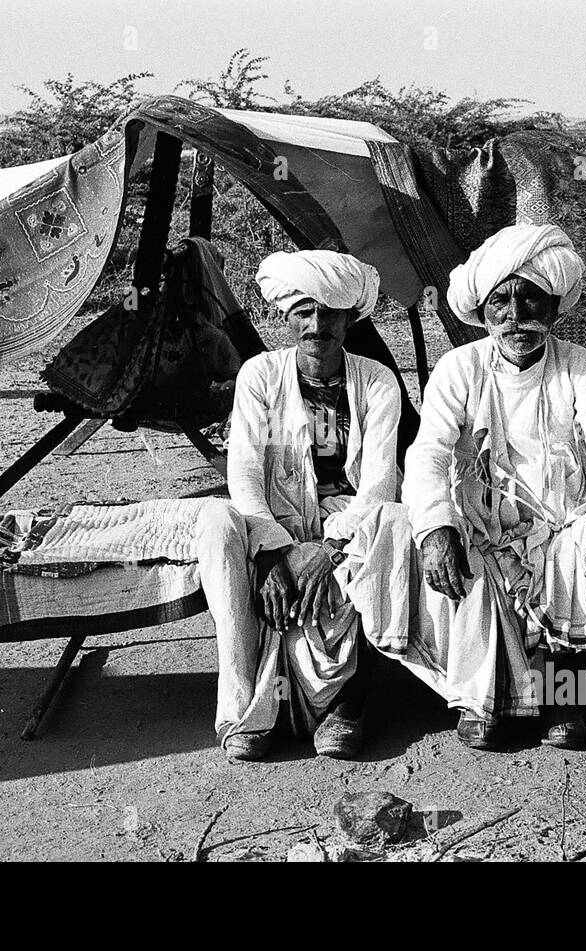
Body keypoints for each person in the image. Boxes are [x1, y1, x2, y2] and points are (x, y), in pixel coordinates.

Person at [399, 223, 586, 750]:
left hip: (561, 513)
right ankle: (479, 697)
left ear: (554, 309)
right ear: (483, 311)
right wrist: (436, 525)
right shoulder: (458, 368)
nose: (516, 317)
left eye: (531, 301)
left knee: (583, 548)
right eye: (501, 303)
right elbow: (428, 453)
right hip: (481, 514)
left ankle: (562, 695)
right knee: (451, 549)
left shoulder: (579, 366)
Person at [203, 249, 410, 762]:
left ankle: (347, 704)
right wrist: (276, 550)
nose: (318, 325)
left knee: (391, 530)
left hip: (350, 516)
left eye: (330, 312)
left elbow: (381, 480)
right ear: (286, 316)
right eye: (304, 312)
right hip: (275, 516)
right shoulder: (260, 375)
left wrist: (331, 545)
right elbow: (244, 471)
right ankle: (255, 709)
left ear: (350, 317)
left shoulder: (378, 380)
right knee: (238, 549)